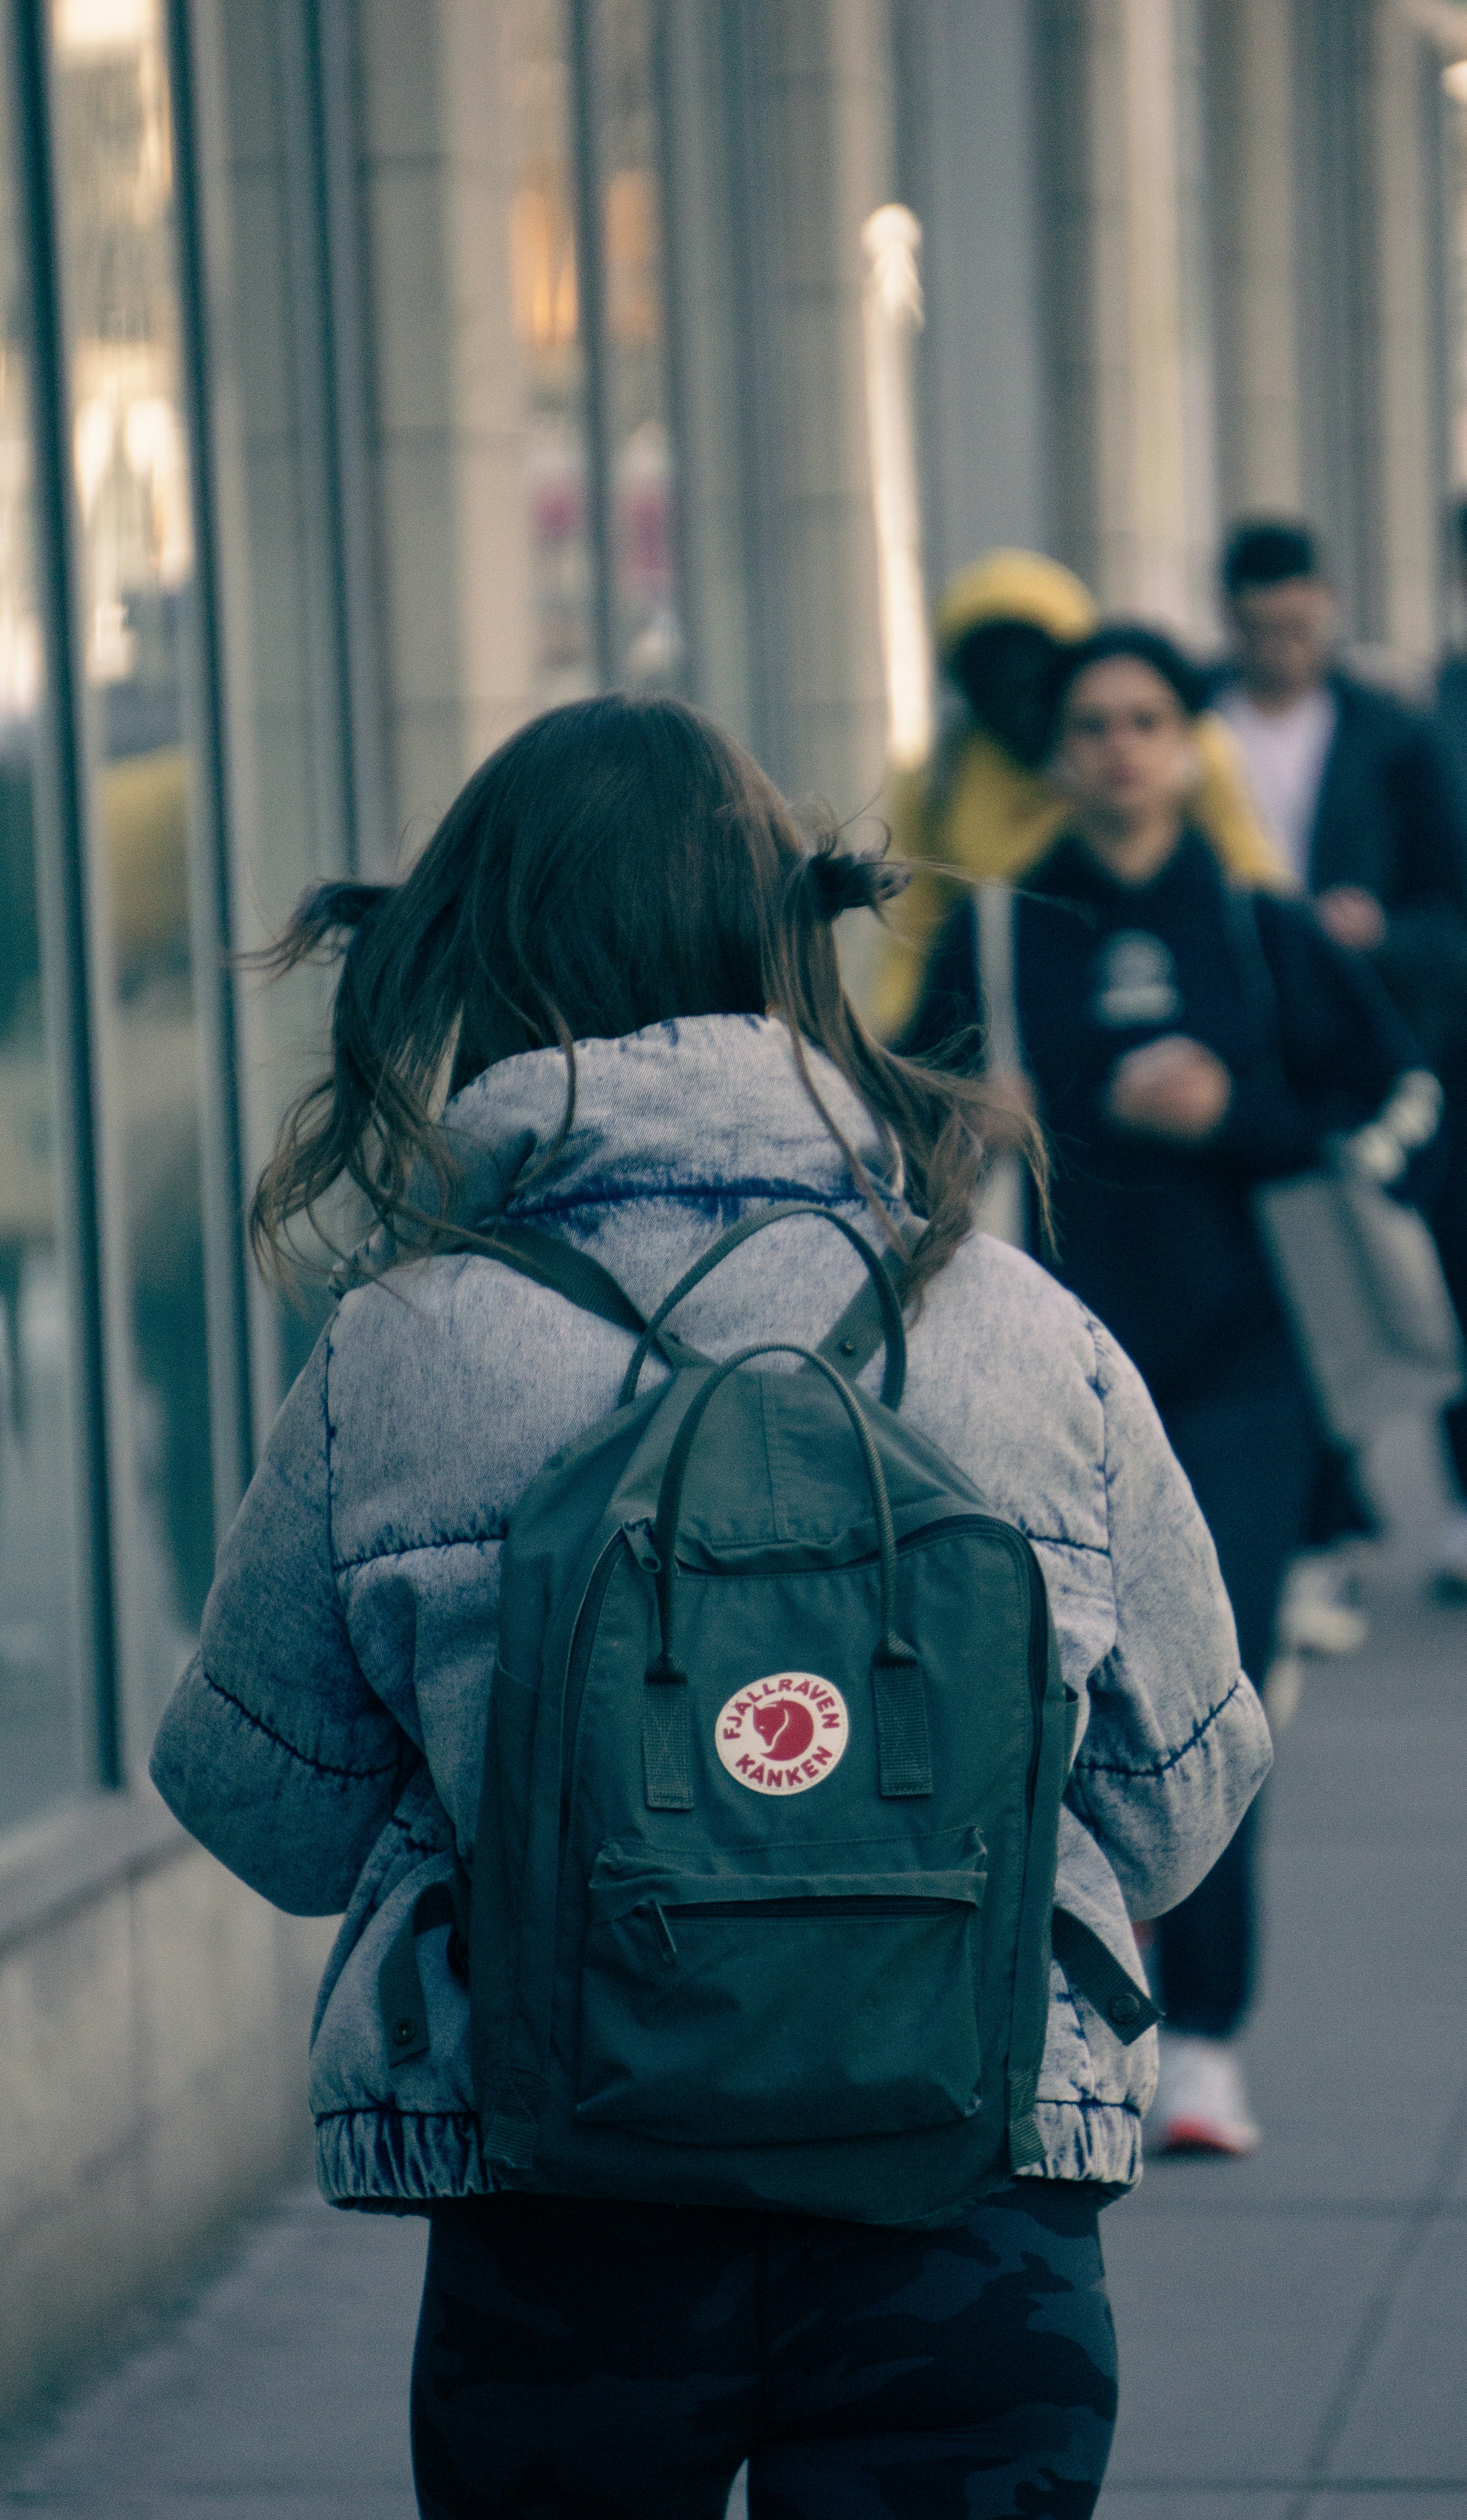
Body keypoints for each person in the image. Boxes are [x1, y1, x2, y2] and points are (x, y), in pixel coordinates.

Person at [149, 695, 1270, 2518]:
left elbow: (260, 1806)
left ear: (487, 955)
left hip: (568, 2209)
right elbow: (1172, 1802)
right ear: (782, 937)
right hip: (964, 2192)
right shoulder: (1011, 1324)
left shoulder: (407, 1344)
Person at [905, 628, 1441, 2158]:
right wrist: (964, 1118)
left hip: (1242, 1379)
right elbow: (886, 1115)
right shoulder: (1004, 933)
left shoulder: (1255, 925)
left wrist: (1238, 1114)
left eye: (1149, 720)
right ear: (1059, 752)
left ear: (1187, 744)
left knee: (1213, 1697)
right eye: (1093, 724)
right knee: (1042, 1705)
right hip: (1037, 1387)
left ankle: (1203, 2037)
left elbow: (1396, 1097)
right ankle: (1085, 1993)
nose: (1122, 746)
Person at [1216, 517, 1467, 1604]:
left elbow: (1448, 909)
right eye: (1260, 626)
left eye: (1298, 623)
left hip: (1386, 1046)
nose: (1281, 645)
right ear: (1230, 618)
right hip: (1256, 1056)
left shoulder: (1390, 733)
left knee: (1439, 1262)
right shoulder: (1191, 725)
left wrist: (1378, 934)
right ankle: (1327, 1520)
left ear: (1326, 607)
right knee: (1289, 1284)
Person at [873, 548, 1282, 1038]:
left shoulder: (1193, 748)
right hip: (1016, 1006)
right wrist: (888, 1047)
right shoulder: (940, 777)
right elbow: (911, 934)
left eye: (1034, 685)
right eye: (992, 682)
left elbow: (1256, 881)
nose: (1121, 747)